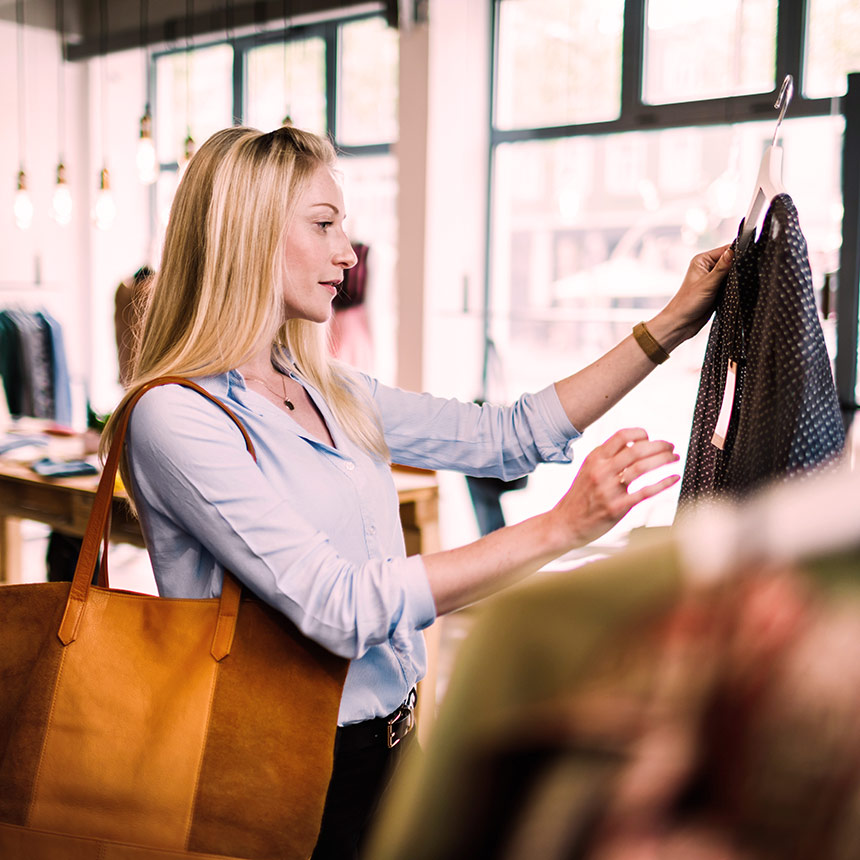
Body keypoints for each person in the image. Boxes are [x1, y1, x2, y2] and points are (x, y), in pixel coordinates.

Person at [100, 125, 733, 859]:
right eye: (325, 224)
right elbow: (340, 606)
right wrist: (559, 528)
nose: (348, 252)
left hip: (396, 743)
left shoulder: (328, 388)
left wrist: (673, 325)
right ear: (248, 234)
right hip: (281, 774)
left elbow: (507, 436)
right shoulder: (175, 416)